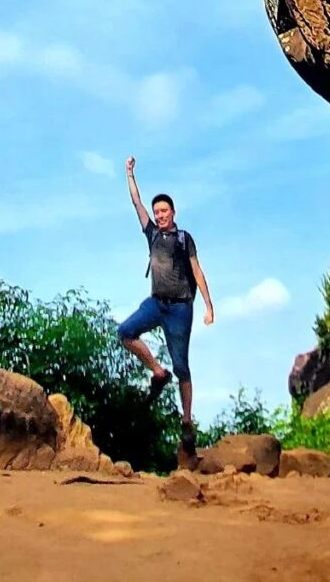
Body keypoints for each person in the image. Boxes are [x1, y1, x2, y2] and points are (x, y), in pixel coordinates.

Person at [117, 155, 214, 452]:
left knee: (182, 366)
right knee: (125, 332)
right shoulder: (153, 234)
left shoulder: (185, 238)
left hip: (180, 308)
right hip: (156, 303)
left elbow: (197, 270)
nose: (159, 215)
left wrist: (209, 306)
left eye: (164, 211)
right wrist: (130, 174)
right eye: (157, 211)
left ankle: (187, 422)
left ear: (173, 212)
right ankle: (158, 372)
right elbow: (137, 204)